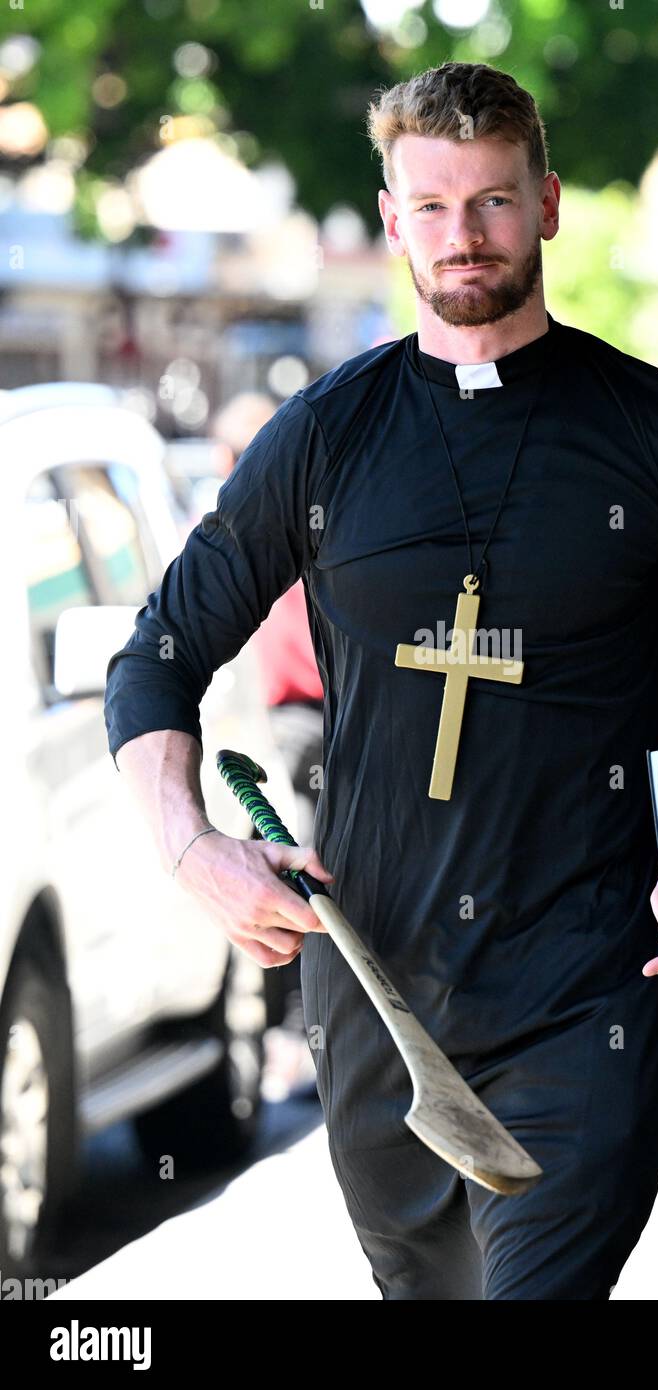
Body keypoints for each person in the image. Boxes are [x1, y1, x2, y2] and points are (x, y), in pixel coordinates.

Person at [103, 61, 658, 1300]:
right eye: (430, 206)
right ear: (389, 220)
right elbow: (154, 660)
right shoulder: (323, 437)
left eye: (488, 201)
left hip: (592, 983)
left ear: (544, 204)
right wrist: (189, 846)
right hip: (375, 989)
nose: (461, 236)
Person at [211, 394, 327, 1098]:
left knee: (300, 873)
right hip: (280, 724)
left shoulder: (252, 523)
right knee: (295, 873)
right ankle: (295, 1034)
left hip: (292, 722)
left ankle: (300, 1034)